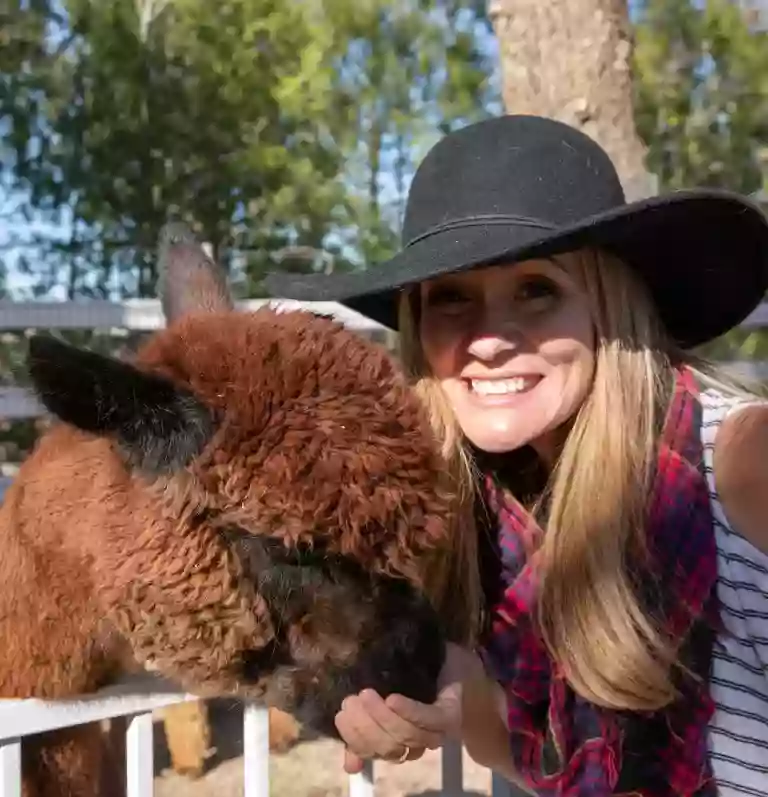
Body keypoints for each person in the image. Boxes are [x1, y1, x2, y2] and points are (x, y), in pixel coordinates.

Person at [264, 115, 768, 796]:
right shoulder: (480, 516)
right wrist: (436, 696)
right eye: (451, 298)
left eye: (536, 289)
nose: (490, 340)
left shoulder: (743, 461)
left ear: (607, 306)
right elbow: (523, 748)